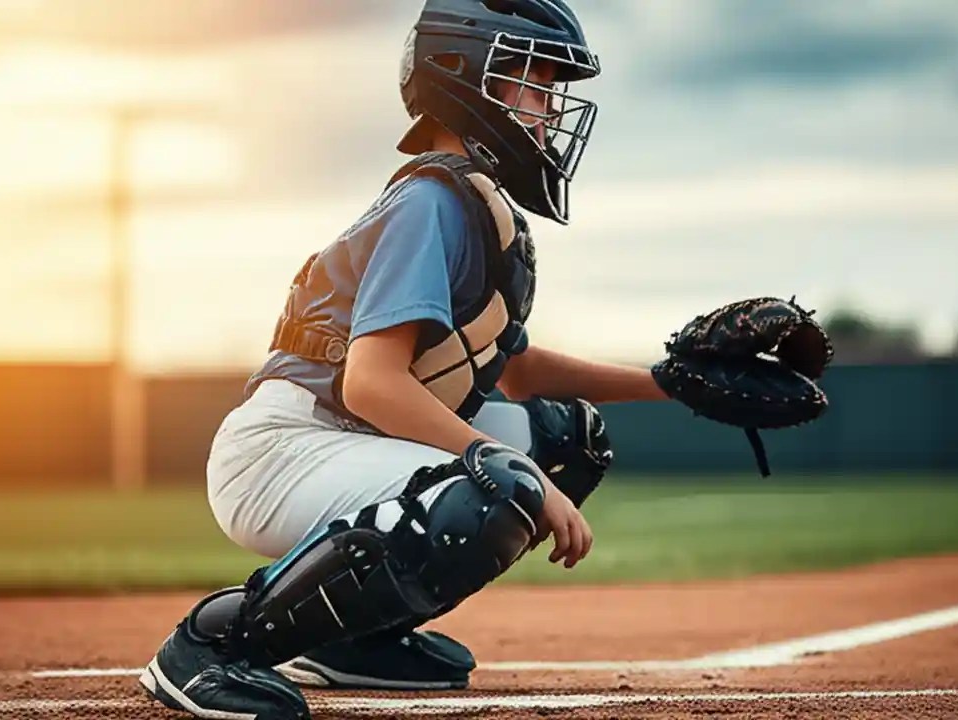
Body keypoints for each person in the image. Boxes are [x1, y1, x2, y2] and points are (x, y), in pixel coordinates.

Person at [138, 1, 667, 717]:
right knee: (494, 489)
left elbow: (519, 374)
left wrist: (669, 385)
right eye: (534, 84)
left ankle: (351, 638)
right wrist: (503, 468)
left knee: (569, 440)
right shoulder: (431, 200)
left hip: (347, 440)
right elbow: (372, 383)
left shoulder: (470, 204)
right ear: (466, 78)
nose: (549, 108)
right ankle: (210, 646)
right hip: (284, 449)